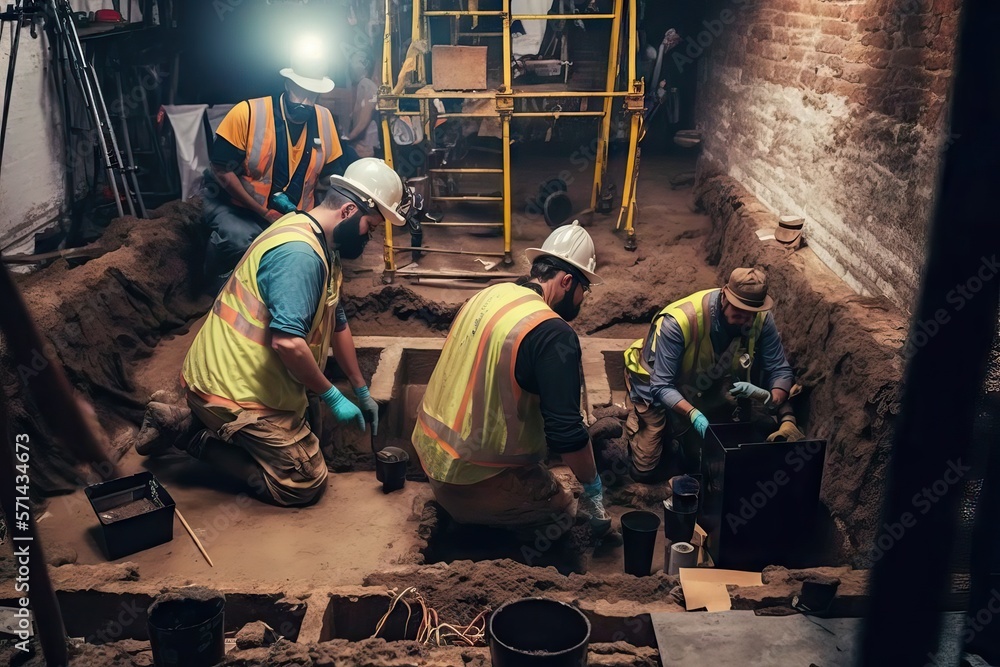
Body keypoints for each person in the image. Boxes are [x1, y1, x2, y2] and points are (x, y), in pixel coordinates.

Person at [139, 159, 406, 507]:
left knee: (312, 427)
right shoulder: (300, 255)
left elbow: (337, 321)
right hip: (230, 386)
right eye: (369, 226)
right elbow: (288, 342)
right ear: (349, 210)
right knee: (304, 482)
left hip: (253, 374)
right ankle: (189, 432)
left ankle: (213, 426)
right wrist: (332, 396)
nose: (368, 237)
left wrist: (359, 388)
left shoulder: (316, 237)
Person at [411, 221, 612, 540]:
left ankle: (459, 515)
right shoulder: (553, 333)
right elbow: (566, 434)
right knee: (561, 513)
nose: (582, 300)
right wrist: (593, 487)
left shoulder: (490, 295)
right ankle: (486, 530)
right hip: (476, 480)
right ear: (568, 281)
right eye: (583, 290)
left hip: (432, 462)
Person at [201, 43, 358, 291]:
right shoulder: (248, 113)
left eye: (313, 94)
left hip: (293, 215)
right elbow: (221, 170)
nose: (306, 101)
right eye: (300, 91)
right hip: (238, 207)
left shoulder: (324, 120)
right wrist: (263, 213)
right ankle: (213, 291)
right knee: (240, 241)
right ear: (287, 84)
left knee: (305, 253)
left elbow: (331, 178)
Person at [623, 268, 803, 483]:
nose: (745, 321)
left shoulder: (761, 318)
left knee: (699, 456)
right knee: (644, 472)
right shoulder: (678, 322)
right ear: (725, 295)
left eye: (750, 315)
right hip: (654, 385)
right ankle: (639, 427)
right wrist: (693, 414)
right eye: (738, 313)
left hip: (704, 382)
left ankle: (682, 441)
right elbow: (661, 386)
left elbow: (779, 368)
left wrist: (770, 396)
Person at [342, 51, 380, 158]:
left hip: (366, 144)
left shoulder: (365, 84)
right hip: (366, 143)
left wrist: (349, 138)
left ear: (365, 64)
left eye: (353, 62)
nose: (350, 66)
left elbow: (364, 118)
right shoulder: (363, 85)